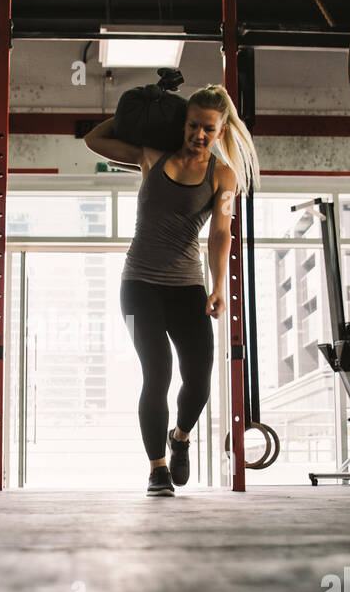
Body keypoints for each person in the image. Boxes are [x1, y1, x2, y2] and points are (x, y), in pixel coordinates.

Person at [83, 85, 258, 496]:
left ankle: (179, 438)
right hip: (137, 286)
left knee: (198, 382)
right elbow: (94, 140)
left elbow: (221, 234)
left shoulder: (223, 175)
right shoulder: (151, 156)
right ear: (183, 122)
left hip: (187, 288)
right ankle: (157, 469)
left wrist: (219, 286)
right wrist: (146, 108)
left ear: (221, 131)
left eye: (208, 128)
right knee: (157, 372)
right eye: (193, 124)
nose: (199, 134)